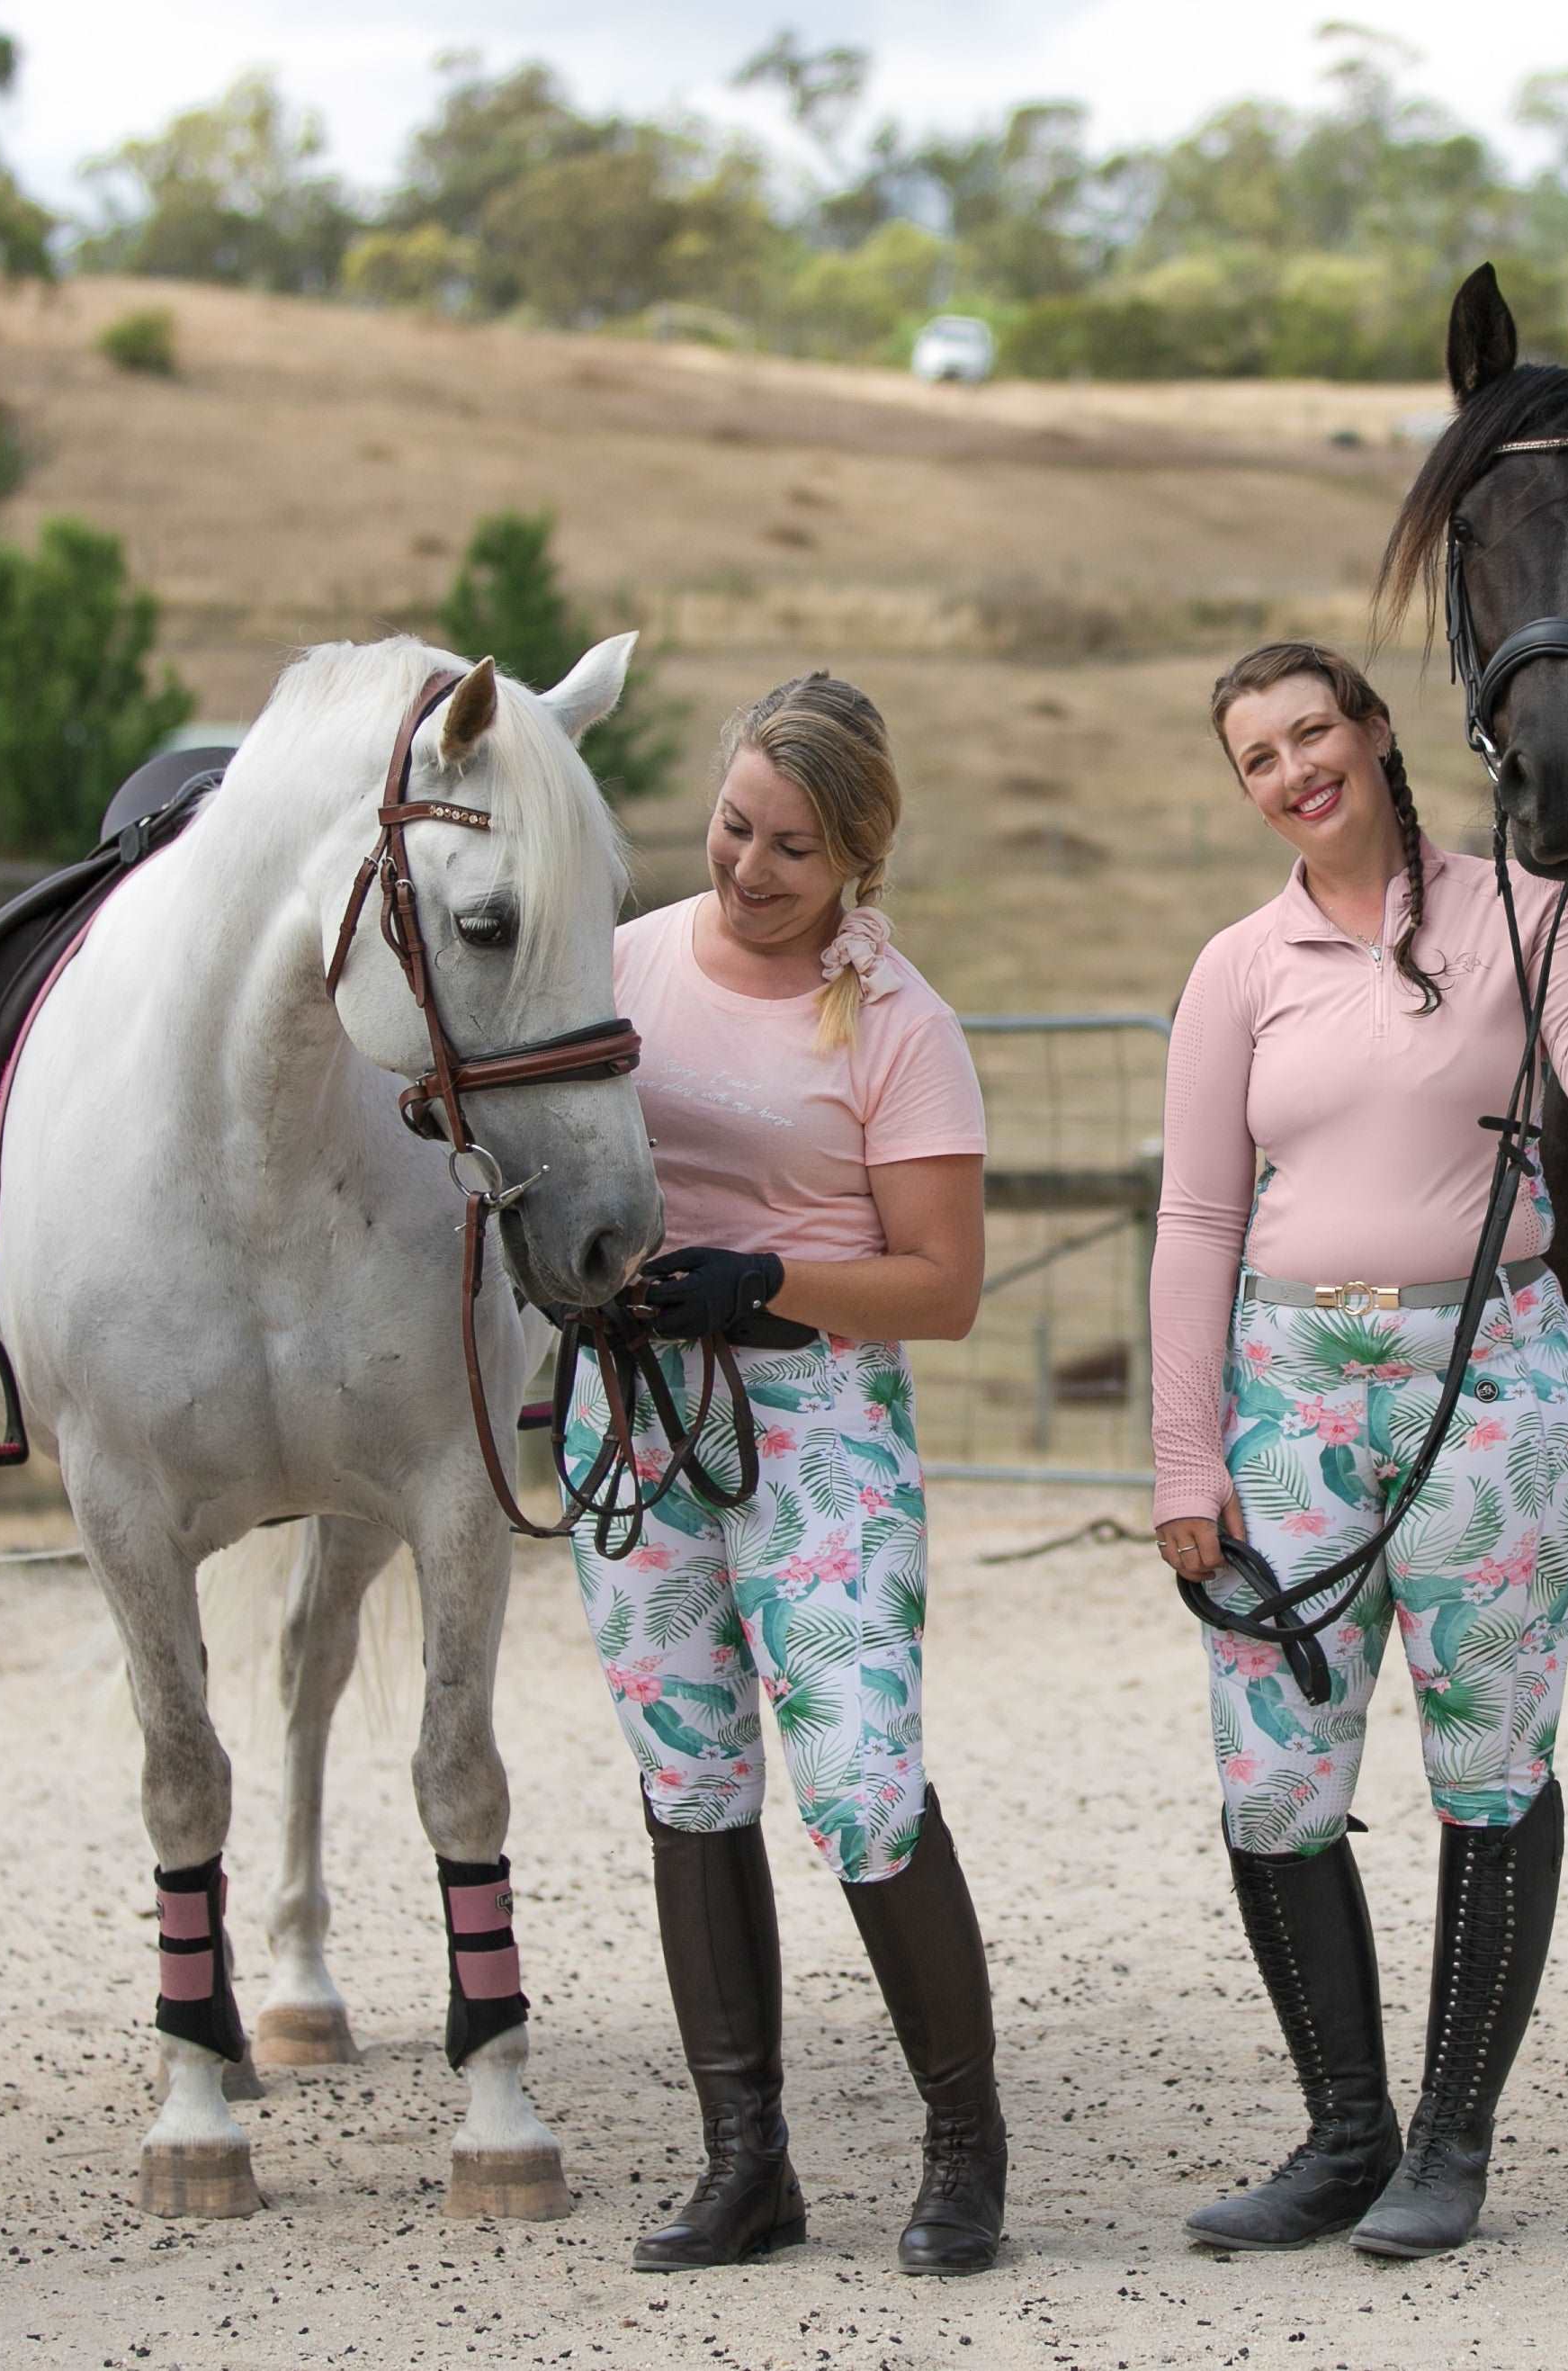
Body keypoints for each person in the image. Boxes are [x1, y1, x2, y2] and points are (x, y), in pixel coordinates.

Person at [1151, 642, 1568, 2259]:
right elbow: (1195, 1212)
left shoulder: (1522, 909)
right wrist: (1185, 1456)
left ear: (1378, 734)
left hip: (1493, 1370)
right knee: (1274, 1781)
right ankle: (1340, 2135)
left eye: (1314, 731)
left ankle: (1449, 2144)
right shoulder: (1238, 966)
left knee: (1488, 1763)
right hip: (1290, 1387)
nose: (1295, 770)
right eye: (1258, 757)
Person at [566, 672, 1003, 2277]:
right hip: (631, 1417)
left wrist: (765, 1282)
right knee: (689, 1786)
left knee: (864, 1777)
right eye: (734, 826)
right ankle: (745, 2162)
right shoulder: (613, 968)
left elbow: (943, 1288)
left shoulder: (899, 1025)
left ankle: (966, 2149)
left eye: (790, 852)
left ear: (854, 865)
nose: (747, 868)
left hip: (815, 1422)